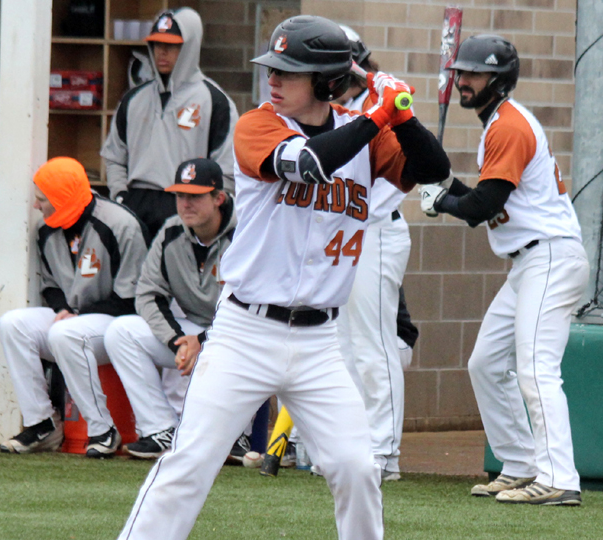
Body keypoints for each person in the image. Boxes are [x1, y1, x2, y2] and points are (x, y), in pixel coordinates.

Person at [117, 15, 450, 540]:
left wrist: (402, 114)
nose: (273, 78)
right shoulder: (258, 125)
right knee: (191, 463)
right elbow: (311, 163)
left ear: (327, 81)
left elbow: (433, 169)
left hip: (320, 343)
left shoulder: (360, 130)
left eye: (289, 71)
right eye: (273, 67)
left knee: (357, 469)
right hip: (246, 333)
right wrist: (377, 115)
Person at [420, 34, 588, 506]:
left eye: (474, 74)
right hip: (530, 260)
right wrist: (443, 185)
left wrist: (446, 203)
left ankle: (558, 478)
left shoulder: (508, 126)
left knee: (536, 369)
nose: (463, 81)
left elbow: (482, 206)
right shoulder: (497, 124)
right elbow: (483, 195)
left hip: (550, 255)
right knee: (486, 363)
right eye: (461, 73)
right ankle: (519, 464)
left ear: (499, 80)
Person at [0, 157, 147, 457]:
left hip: (121, 324)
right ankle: (41, 424)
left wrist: (77, 315)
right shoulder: (47, 230)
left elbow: (133, 298)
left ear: (62, 199)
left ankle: (102, 430)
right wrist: (65, 310)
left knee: (64, 333)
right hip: (78, 320)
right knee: (12, 323)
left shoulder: (120, 225)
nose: (37, 206)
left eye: (42, 199)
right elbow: (50, 286)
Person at [105, 158, 244, 461]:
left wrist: (203, 340)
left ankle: (236, 435)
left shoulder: (245, 233)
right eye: (180, 195)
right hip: (193, 331)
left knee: (244, 343)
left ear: (218, 198)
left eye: (195, 196)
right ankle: (160, 430)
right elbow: (148, 293)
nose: (185, 204)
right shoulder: (171, 232)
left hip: (241, 335)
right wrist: (177, 340)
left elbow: (252, 305)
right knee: (121, 332)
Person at [332, 24, 415, 482]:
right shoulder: (332, 109)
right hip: (346, 236)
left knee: (372, 344)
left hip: (378, 231)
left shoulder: (385, 102)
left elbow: (403, 174)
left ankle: (384, 452)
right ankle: (353, 446)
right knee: (342, 347)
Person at [101, 7, 238, 236]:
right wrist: (120, 196)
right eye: (156, 44)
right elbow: (114, 157)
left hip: (187, 205)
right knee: (135, 273)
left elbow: (227, 170)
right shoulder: (133, 99)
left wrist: (206, 211)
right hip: (134, 206)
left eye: (172, 45)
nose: (161, 51)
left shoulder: (214, 101)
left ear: (189, 46)